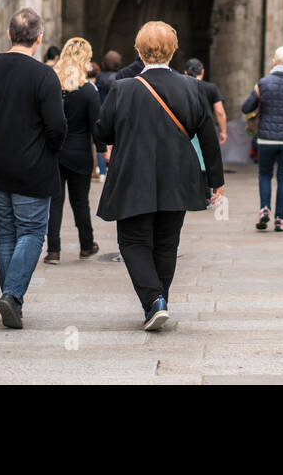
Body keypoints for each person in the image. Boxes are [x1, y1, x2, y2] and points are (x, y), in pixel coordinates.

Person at [94, 21, 224, 331]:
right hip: (178, 175)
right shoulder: (192, 88)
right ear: (174, 51)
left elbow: (103, 130)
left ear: (138, 52)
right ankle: (157, 300)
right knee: (167, 242)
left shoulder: (122, 89)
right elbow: (208, 137)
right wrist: (215, 181)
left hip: (132, 174)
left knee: (132, 240)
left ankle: (154, 301)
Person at [0, 7, 67, 329]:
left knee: (6, 231)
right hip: (31, 169)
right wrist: (49, 149)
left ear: (9, 35)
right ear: (39, 38)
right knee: (33, 232)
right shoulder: (44, 76)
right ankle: (12, 296)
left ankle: (11, 298)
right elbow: (57, 127)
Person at [44, 37, 105, 264]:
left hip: (54, 152)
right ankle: (86, 245)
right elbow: (95, 126)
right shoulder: (89, 91)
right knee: (80, 202)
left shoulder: (52, 86)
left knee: (54, 201)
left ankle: (53, 250)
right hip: (79, 153)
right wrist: (103, 151)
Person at [240, 46, 283, 232]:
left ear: (273, 62)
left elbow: (246, 108)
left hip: (266, 138)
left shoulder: (263, 83)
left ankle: (264, 209)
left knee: (265, 174)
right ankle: (279, 220)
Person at [184, 58, 227, 145]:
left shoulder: (182, 88)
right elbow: (219, 112)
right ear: (202, 72)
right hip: (207, 129)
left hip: (186, 131)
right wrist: (223, 131)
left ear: (185, 73)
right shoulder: (212, 88)